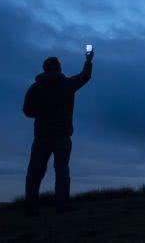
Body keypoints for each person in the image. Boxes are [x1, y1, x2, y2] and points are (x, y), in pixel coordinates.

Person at [22, 48, 94, 215]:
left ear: (45, 68)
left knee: (35, 172)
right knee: (62, 170)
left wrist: (40, 113)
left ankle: (31, 208)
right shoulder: (67, 84)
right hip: (62, 135)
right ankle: (62, 206)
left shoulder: (35, 88)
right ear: (58, 68)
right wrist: (89, 61)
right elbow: (85, 76)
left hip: (41, 136)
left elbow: (27, 110)